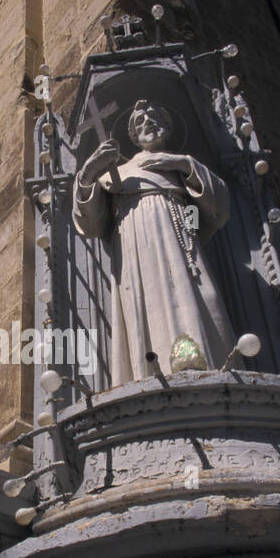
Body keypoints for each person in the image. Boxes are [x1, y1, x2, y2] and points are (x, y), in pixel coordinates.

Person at [72, 99, 235, 384]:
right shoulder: (119, 173)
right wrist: (89, 172)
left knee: (197, 297)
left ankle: (209, 363)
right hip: (136, 250)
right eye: (139, 121)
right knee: (146, 308)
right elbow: (91, 223)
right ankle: (151, 374)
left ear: (168, 126)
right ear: (133, 136)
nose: (147, 121)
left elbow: (216, 212)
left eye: (153, 116)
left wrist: (183, 164)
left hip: (181, 246)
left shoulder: (184, 167)